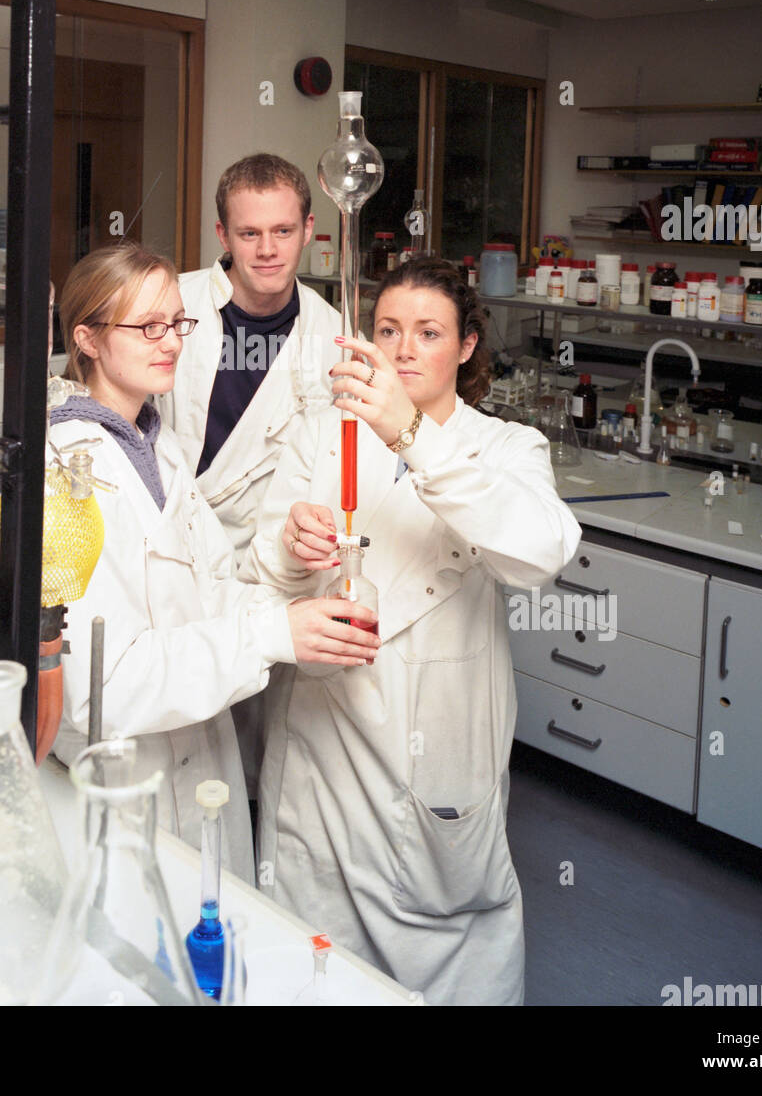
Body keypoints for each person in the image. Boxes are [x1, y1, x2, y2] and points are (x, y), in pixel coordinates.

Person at [242, 256, 581, 1002]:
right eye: (388, 329)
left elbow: (540, 553)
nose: (401, 349)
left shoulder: (505, 448)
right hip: (324, 739)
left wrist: (409, 433)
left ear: (464, 348)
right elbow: (267, 573)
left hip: (431, 747)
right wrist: (290, 544)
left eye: (427, 332)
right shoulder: (321, 435)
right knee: (313, 958)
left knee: (447, 960)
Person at [49, 243, 376, 882]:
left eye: (178, 322)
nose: (171, 341)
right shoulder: (68, 472)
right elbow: (100, 687)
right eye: (148, 327)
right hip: (124, 784)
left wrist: (295, 617)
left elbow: (214, 586)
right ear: (87, 338)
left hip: (191, 763)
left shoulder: (156, 443)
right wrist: (270, 634)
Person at [155, 153, 342, 796]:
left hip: (267, 568)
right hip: (168, 550)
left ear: (310, 229)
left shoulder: (331, 334)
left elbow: (333, 465)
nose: (267, 249)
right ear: (222, 235)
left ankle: (243, 878)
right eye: (249, 233)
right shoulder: (170, 304)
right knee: (166, 734)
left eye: (283, 231)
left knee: (253, 758)